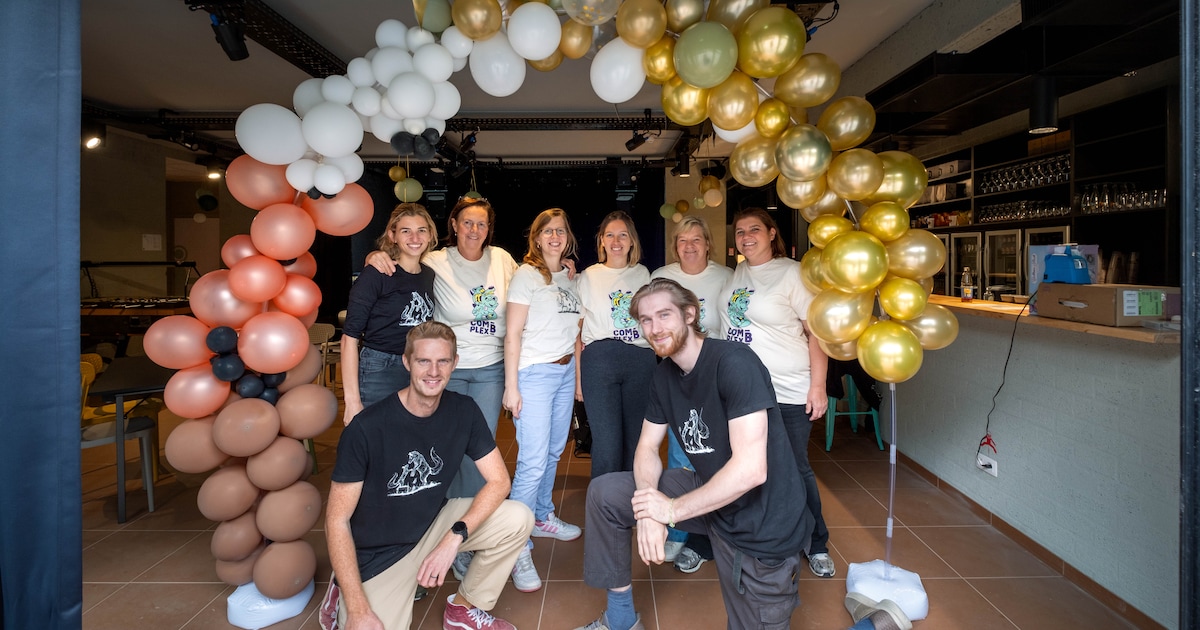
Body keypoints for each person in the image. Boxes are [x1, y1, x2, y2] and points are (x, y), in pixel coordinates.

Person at [574, 278, 813, 630]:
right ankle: (622, 619)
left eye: (664, 315)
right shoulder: (665, 376)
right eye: (645, 320)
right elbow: (646, 448)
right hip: (710, 493)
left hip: (761, 523)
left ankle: (878, 624)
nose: (654, 329)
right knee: (607, 494)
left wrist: (668, 510)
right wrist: (647, 506)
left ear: (690, 314)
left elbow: (751, 470)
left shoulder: (733, 362)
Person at [325, 321, 534, 630]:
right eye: (424, 360)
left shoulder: (463, 410)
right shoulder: (367, 428)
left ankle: (463, 609)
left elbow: (500, 481)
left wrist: (453, 538)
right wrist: (357, 609)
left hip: (434, 526)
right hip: (381, 554)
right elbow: (336, 520)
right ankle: (344, 588)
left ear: (455, 364)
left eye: (443, 361)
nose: (433, 371)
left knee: (518, 518)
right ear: (407, 362)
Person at [368, 196, 518, 499]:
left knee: (480, 443)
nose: (474, 230)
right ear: (454, 225)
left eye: (481, 224)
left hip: (491, 368)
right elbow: (400, 257)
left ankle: (472, 519)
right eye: (467, 223)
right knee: (447, 439)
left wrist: (563, 269)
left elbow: (531, 283)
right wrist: (374, 256)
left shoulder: (502, 259)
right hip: (449, 368)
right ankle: (445, 510)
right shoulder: (435, 260)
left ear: (489, 229)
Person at [719, 207, 835, 579]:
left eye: (755, 229)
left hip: (787, 389)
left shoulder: (793, 273)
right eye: (740, 231)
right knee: (749, 467)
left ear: (772, 233)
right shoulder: (737, 272)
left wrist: (818, 385)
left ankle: (816, 542)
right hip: (742, 391)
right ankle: (764, 535)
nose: (746, 236)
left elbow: (816, 331)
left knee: (794, 469)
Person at [497, 208, 585, 594]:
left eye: (560, 231)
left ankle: (542, 515)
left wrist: (577, 377)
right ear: (536, 237)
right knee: (531, 462)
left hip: (564, 372)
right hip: (534, 374)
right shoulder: (525, 276)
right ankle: (515, 546)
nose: (554, 236)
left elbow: (575, 331)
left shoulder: (568, 277)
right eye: (547, 231)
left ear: (568, 238)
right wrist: (510, 386)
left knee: (552, 453)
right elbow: (512, 334)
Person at [649, 216, 731, 574]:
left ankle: (718, 529)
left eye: (697, 239)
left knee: (719, 451)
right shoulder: (661, 277)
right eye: (683, 240)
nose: (689, 246)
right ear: (675, 245)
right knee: (682, 449)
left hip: (716, 373)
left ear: (708, 244)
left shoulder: (727, 277)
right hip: (677, 374)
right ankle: (680, 529)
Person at [341, 203, 437, 426]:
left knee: (411, 438)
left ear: (430, 235)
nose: (415, 237)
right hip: (380, 367)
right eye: (406, 231)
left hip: (417, 367)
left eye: (421, 230)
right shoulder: (377, 274)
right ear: (392, 236)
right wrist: (352, 401)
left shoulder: (429, 275)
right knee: (377, 440)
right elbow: (349, 338)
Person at [576, 210, 656, 479]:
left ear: (632, 241)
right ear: (601, 241)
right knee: (607, 443)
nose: (616, 240)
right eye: (609, 235)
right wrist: (578, 379)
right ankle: (605, 507)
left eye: (623, 234)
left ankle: (633, 502)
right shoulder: (587, 276)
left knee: (636, 440)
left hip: (640, 362)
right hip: (599, 362)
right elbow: (577, 331)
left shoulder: (643, 274)